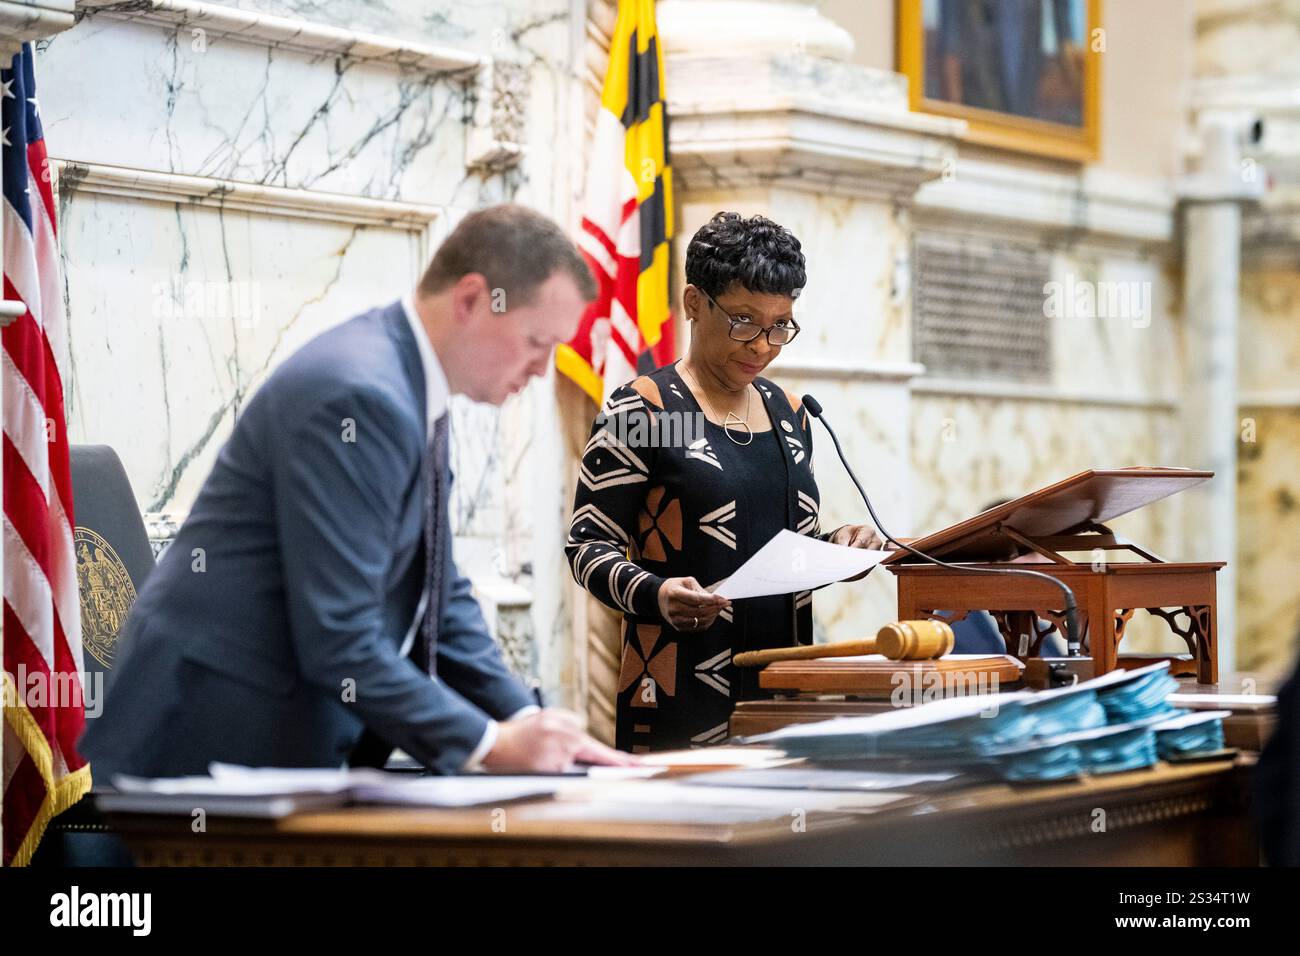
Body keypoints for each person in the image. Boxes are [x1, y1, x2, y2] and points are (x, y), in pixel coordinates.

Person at [81, 204, 631, 778]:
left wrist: (527, 722)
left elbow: (439, 597)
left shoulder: (413, 387)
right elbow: (339, 636)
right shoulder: (360, 394)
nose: (543, 369)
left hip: (279, 751)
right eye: (537, 341)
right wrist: (491, 743)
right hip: (204, 745)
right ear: (471, 299)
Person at [565, 211, 884, 752]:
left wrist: (839, 547)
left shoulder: (789, 414)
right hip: (676, 692)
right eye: (743, 321)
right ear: (694, 303)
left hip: (782, 686)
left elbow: (782, 545)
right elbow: (587, 546)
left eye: (780, 326)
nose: (762, 345)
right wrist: (656, 593)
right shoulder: (648, 411)